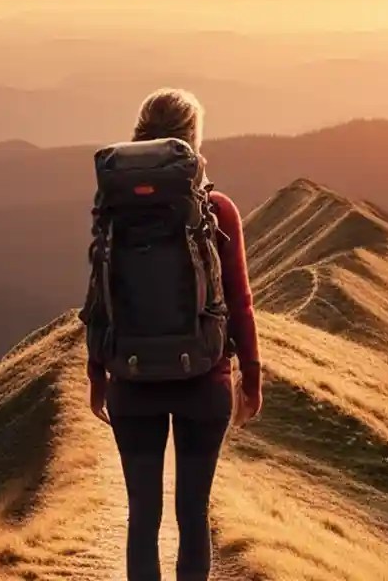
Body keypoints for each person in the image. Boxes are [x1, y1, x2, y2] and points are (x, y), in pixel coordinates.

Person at [87, 89, 262, 581]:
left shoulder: (113, 208)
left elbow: (99, 295)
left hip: (131, 378)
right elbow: (240, 301)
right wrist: (251, 376)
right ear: (193, 139)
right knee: (192, 516)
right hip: (203, 381)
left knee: (142, 518)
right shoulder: (216, 210)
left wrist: (97, 375)